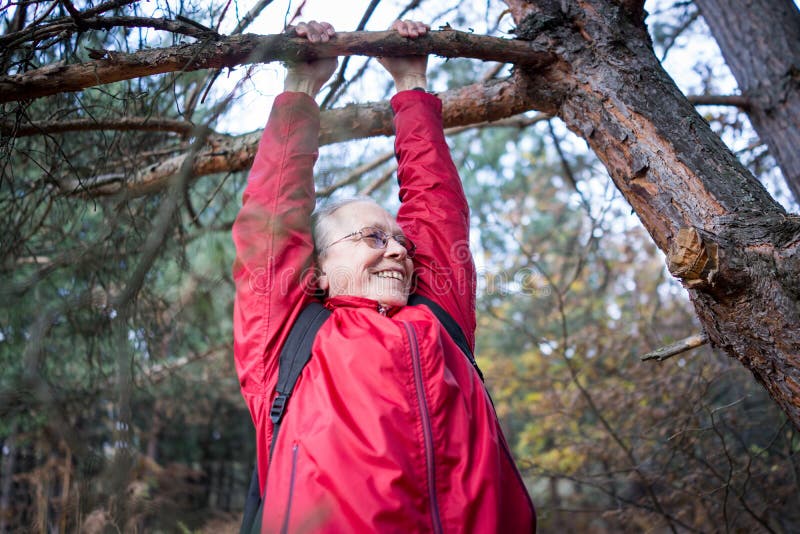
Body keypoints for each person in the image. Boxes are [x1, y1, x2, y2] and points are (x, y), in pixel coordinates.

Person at [232, 19, 536, 533]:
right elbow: (273, 218)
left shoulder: (439, 319)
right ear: (320, 271)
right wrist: (301, 90)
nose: (396, 249)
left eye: (400, 241)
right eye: (372, 238)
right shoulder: (289, 343)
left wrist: (411, 84)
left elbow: (436, 205)